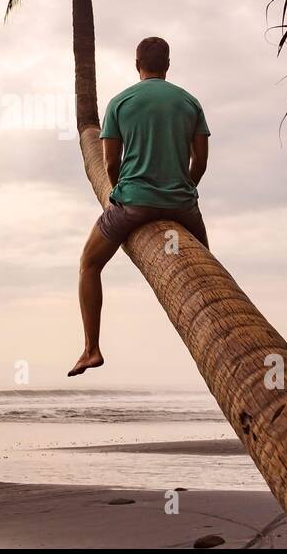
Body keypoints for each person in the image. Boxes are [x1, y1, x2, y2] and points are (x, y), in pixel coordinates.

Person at [69, 37, 210, 376]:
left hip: (132, 204)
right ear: (168, 65)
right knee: (207, 265)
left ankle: (91, 349)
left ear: (137, 65)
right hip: (182, 205)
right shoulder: (190, 103)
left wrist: (122, 191)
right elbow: (201, 161)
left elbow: (111, 163)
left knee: (89, 264)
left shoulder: (120, 103)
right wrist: (183, 189)